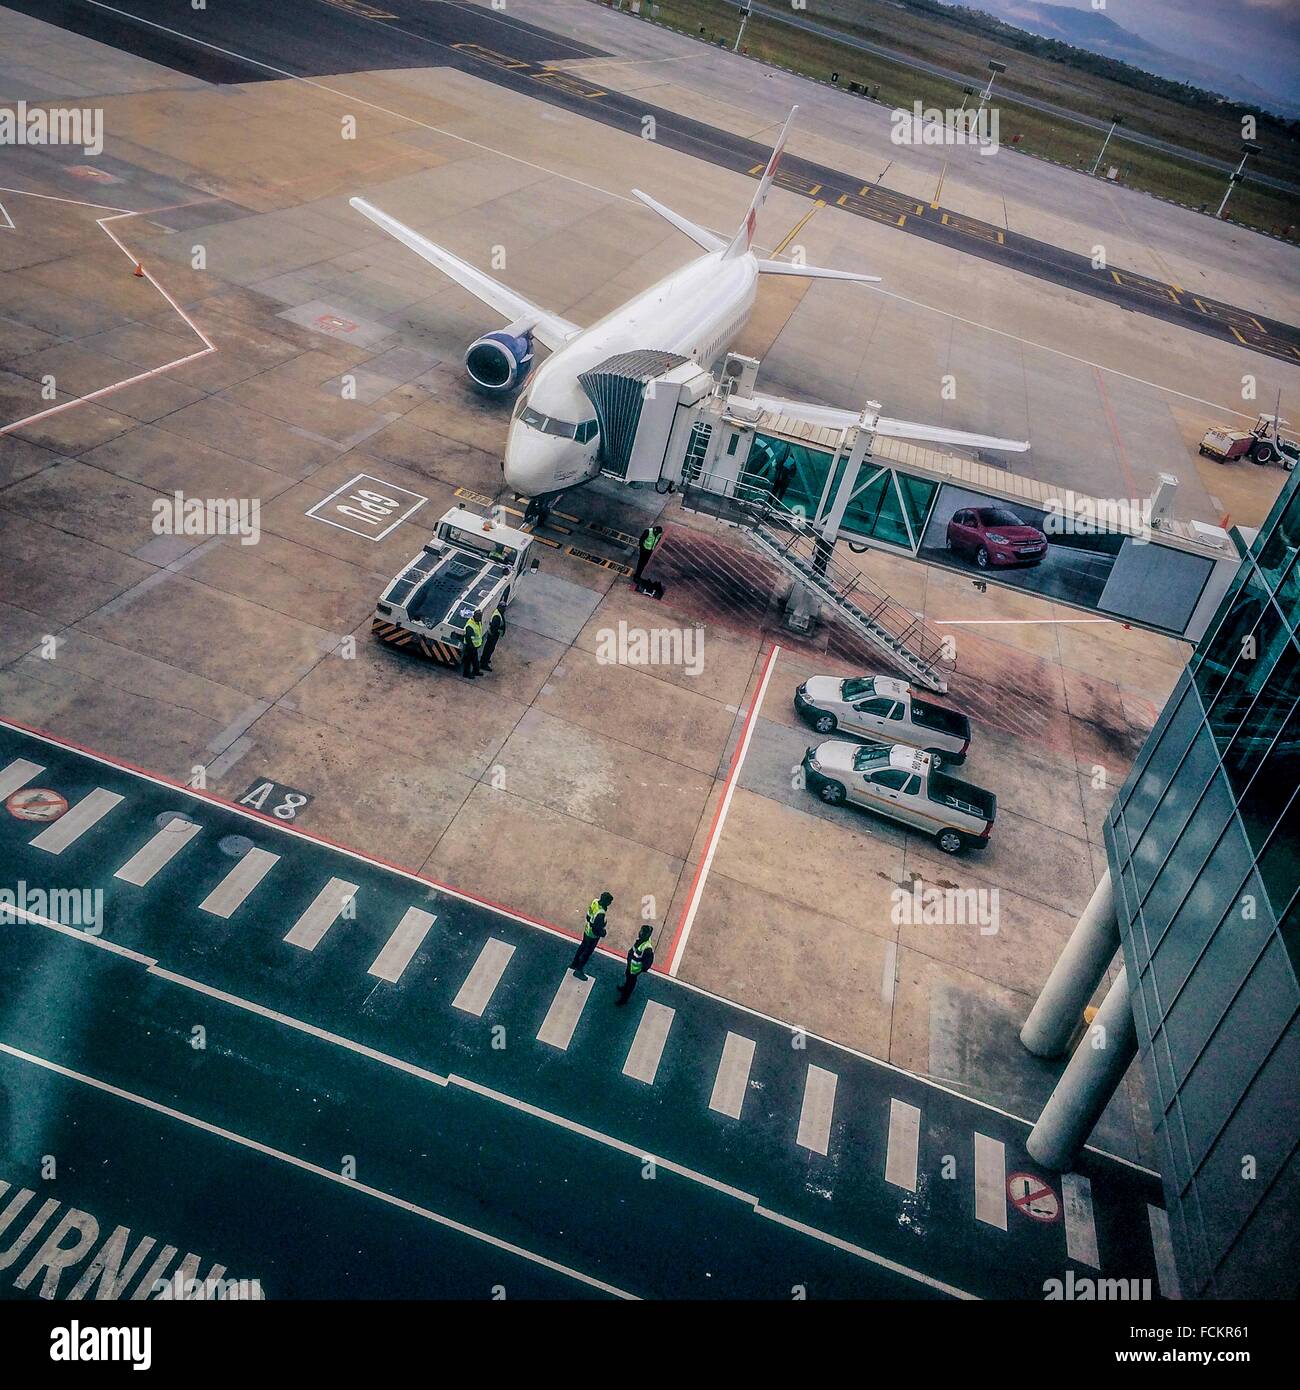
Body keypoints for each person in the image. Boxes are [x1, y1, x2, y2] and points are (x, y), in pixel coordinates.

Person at [570, 892, 612, 978]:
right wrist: (602, 933)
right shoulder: (601, 913)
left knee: (582, 946)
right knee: (587, 953)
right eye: (609, 902)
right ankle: (579, 970)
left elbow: (588, 916)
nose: (610, 903)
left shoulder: (595, 902)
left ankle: (574, 962)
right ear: (605, 901)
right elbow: (596, 929)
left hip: (587, 929)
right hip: (592, 935)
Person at [615, 924, 655, 1006]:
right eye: (641, 931)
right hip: (630, 965)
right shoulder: (641, 940)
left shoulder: (647, 948)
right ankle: (624, 988)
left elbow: (648, 962)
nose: (640, 933)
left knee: (631, 983)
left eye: (642, 932)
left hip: (635, 969)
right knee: (627, 978)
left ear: (646, 935)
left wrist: (641, 969)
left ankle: (624, 999)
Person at [461, 609, 485, 679]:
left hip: (475, 646)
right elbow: (468, 638)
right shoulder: (470, 626)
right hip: (470, 647)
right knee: (468, 661)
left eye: (481, 616)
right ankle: (466, 673)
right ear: (474, 616)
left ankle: (476, 671)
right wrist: (471, 646)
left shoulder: (477, 622)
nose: (480, 618)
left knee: (475, 660)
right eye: (479, 616)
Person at [481, 605, 505, 671]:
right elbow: (494, 628)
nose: (504, 609)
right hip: (493, 636)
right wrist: (496, 633)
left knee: (488, 648)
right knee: (489, 649)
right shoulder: (497, 616)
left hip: (492, 635)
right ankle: (484, 664)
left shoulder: (498, 613)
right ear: (499, 608)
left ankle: (484, 660)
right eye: (503, 608)